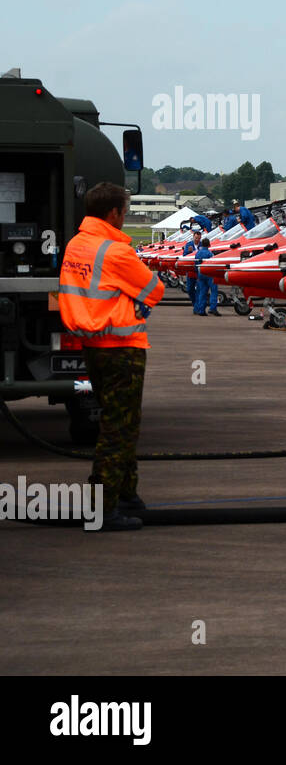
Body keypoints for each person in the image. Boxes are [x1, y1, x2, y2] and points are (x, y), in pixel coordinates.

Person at [58, 181, 166, 531]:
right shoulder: (116, 252)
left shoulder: (77, 244)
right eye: (125, 211)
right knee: (119, 429)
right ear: (114, 213)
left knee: (122, 422)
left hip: (93, 347)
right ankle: (102, 508)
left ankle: (126, 493)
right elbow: (155, 289)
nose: (125, 216)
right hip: (122, 350)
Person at [192, 237, 220, 316]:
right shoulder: (210, 253)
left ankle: (201, 310)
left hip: (201, 274)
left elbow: (195, 264)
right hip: (210, 274)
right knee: (214, 291)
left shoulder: (198, 253)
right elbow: (213, 264)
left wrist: (198, 273)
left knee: (202, 292)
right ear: (209, 244)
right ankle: (213, 308)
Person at [182, 225, 201, 303]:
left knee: (200, 289)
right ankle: (194, 302)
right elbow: (184, 255)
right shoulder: (189, 244)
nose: (197, 240)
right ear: (193, 237)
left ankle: (197, 304)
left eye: (199, 238)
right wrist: (189, 252)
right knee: (190, 289)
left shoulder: (202, 245)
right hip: (191, 269)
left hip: (199, 270)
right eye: (196, 238)